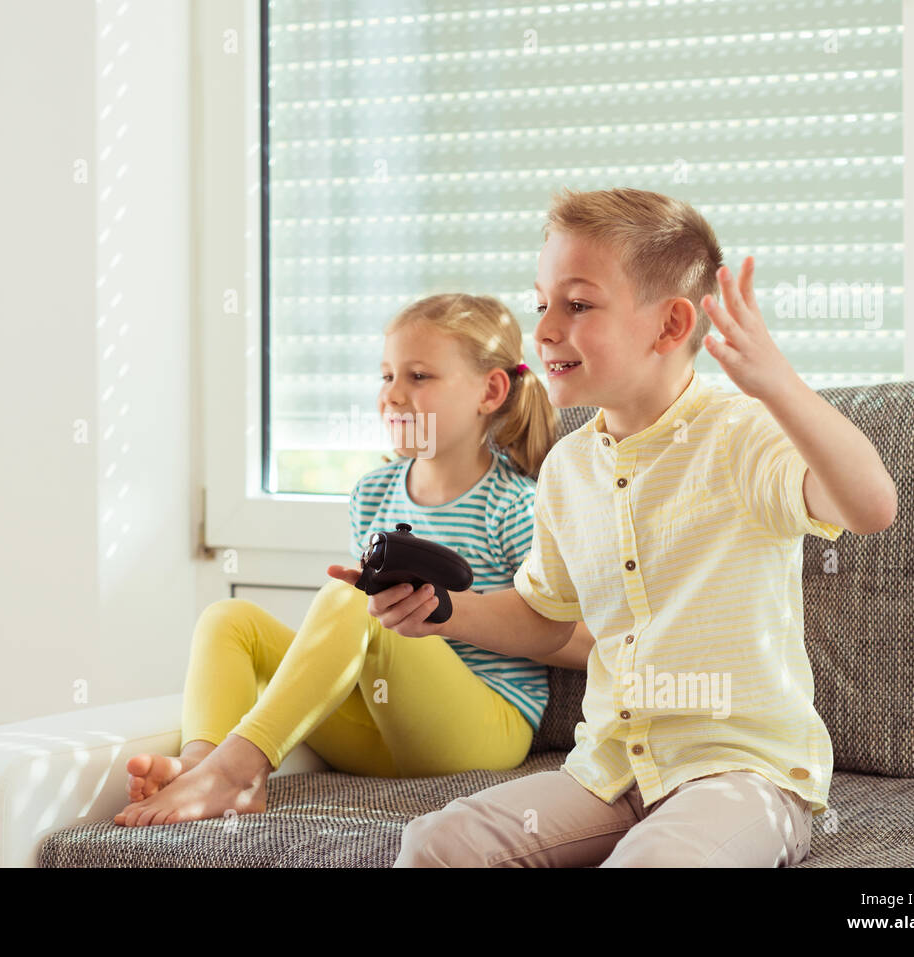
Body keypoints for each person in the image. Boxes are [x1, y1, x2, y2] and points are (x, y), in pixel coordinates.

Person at [367, 187, 899, 867]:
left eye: (579, 304)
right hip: (610, 772)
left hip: (742, 775)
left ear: (671, 326)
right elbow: (548, 617)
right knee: (437, 843)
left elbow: (872, 505)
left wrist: (777, 383)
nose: (547, 328)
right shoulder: (567, 467)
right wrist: (445, 610)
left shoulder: (742, 435)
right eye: (542, 304)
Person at [114, 292, 595, 827]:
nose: (393, 395)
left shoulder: (514, 505)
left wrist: (448, 612)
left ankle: (239, 770)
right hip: (381, 733)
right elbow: (355, 644)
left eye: (418, 376)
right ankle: (204, 765)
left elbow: (580, 635)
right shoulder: (372, 494)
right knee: (230, 620)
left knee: (355, 602)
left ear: (490, 390)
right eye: (386, 376)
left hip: (483, 729)